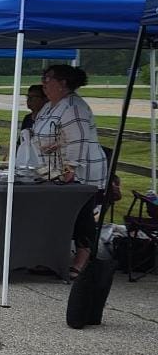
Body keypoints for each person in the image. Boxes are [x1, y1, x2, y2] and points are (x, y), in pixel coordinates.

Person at [32, 63, 108, 278]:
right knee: (57, 216)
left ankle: (83, 259)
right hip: (53, 169)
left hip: (80, 171)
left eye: (48, 79)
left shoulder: (74, 106)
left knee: (81, 215)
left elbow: (79, 139)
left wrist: (71, 168)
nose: (43, 84)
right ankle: (53, 258)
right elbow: (53, 134)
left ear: (63, 83)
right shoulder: (50, 106)